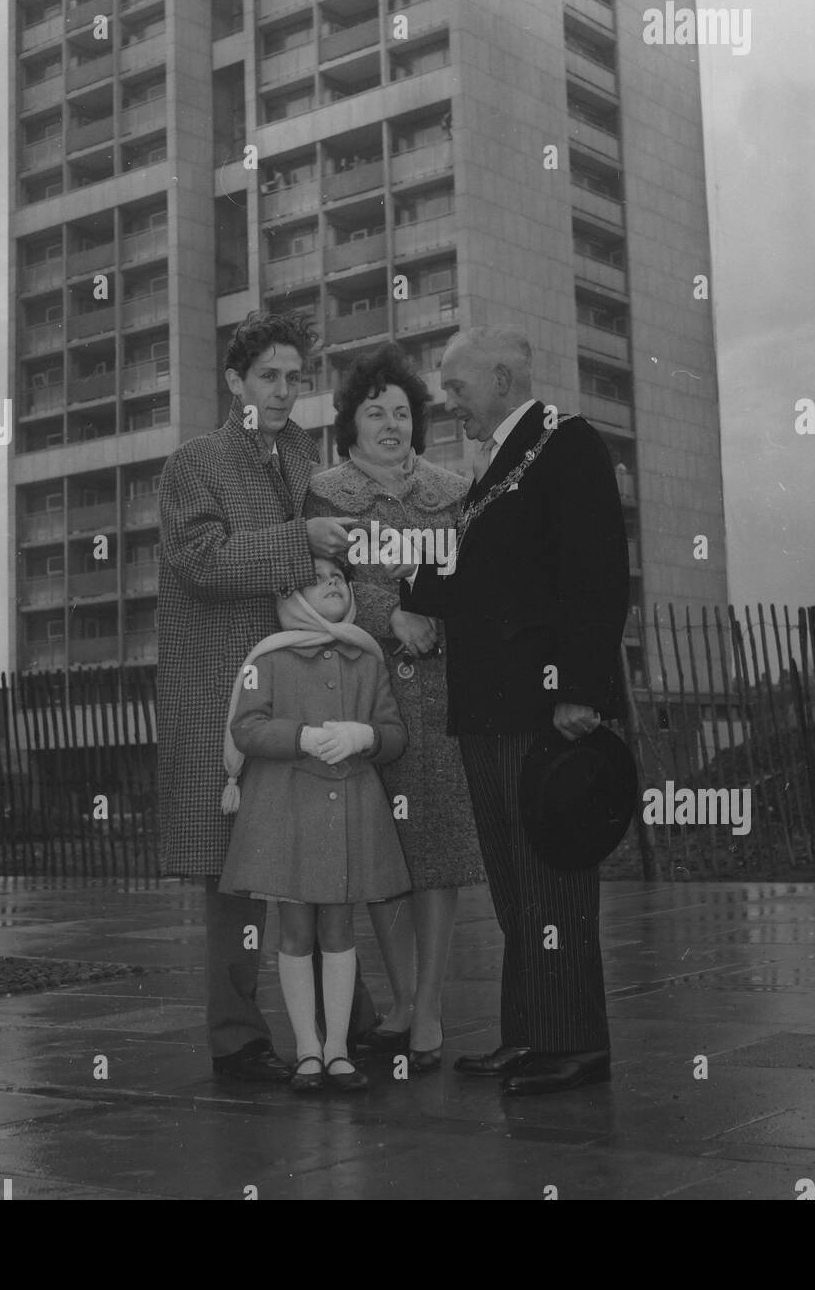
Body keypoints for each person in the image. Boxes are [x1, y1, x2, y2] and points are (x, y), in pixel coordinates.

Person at [400, 325, 630, 1096]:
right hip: (490, 710)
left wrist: (582, 691)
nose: (447, 403)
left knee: (551, 875)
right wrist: (404, 590)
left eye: (456, 388)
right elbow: (484, 579)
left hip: (542, 707)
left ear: (500, 378)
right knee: (513, 880)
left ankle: (573, 1041)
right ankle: (528, 1034)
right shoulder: (500, 460)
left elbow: (598, 573)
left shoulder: (567, 444)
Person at [156, 310, 371, 1083]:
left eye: (294, 378)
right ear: (235, 382)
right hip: (224, 685)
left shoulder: (304, 454)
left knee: (320, 843)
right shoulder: (195, 462)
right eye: (269, 377)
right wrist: (299, 542)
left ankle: (350, 1018)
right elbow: (200, 562)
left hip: (304, 683)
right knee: (234, 871)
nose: (284, 391)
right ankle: (236, 1036)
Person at [307, 345, 482, 1071]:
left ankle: (430, 1011)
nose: (390, 423)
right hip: (364, 686)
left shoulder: (454, 489)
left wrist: (439, 616)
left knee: (437, 848)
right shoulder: (325, 493)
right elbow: (320, 585)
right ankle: (403, 999)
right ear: (351, 424)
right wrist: (392, 614)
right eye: (375, 411)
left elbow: (475, 574)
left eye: (402, 412)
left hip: (441, 690)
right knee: (381, 850)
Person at [217, 558, 411, 1092]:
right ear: (291, 595)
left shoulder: (367, 659)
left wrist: (363, 736)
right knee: (296, 930)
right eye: (317, 576)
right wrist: (301, 736)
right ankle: (306, 1049)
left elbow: (394, 734)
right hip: (288, 813)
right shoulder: (269, 659)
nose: (333, 583)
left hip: (349, 810)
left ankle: (338, 1050)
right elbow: (246, 727)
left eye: (339, 578)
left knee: (341, 928)